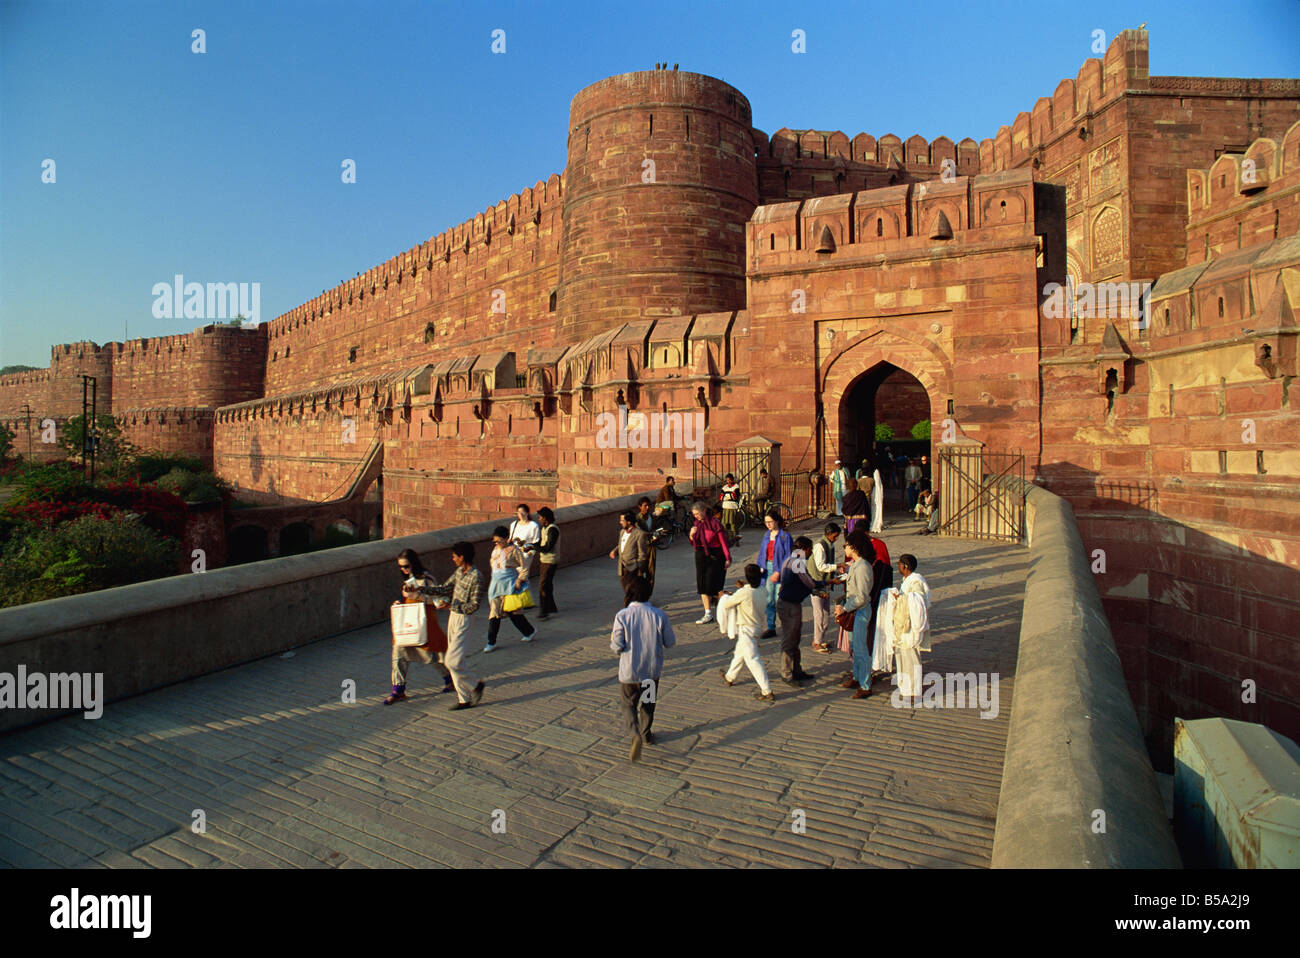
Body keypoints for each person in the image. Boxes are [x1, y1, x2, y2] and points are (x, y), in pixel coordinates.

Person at [610, 575, 677, 762]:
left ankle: (635, 734)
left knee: (628, 704)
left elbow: (617, 646)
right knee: (648, 703)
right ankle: (646, 733)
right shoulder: (659, 615)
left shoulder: (622, 616)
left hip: (629, 672)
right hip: (650, 671)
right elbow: (670, 642)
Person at [385, 548, 455, 704]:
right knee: (399, 654)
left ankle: (451, 679)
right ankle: (398, 690)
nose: (403, 570)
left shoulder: (426, 578)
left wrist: (417, 596)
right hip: (407, 622)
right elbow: (404, 596)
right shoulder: (408, 579)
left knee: (432, 655)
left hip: (424, 621)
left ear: (414, 564)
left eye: (406, 566)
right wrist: (399, 600)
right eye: (400, 567)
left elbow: (437, 599)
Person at [427, 541, 487, 711]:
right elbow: (444, 588)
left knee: (451, 661)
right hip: (453, 617)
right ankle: (464, 699)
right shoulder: (459, 572)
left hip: (464, 619)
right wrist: (421, 590)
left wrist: (452, 606)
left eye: (455, 556)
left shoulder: (476, 576)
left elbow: (474, 605)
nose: (453, 559)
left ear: (462, 557)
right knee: (456, 660)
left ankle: (475, 685)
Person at [835, 531, 891, 700]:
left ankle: (865, 685)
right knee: (855, 647)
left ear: (854, 547)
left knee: (861, 649)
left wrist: (845, 608)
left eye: (846, 546)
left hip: (860, 610)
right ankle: (857, 676)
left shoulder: (863, 567)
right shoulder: (856, 565)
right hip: (854, 610)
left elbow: (862, 597)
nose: (845, 549)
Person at [874, 553, 931, 702]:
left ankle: (914, 692)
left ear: (905, 566)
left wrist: (900, 598)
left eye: (899, 564)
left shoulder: (916, 581)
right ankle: (906, 688)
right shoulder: (907, 580)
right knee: (902, 658)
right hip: (902, 625)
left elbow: (918, 601)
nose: (898, 566)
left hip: (911, 626)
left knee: (911, 658)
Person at [717, 564, 774, 702]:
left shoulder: (744, 592)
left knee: (753, 660)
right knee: (739, 653)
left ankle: (767, 690)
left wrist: (724, 596)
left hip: (746, 629)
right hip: (756, 627)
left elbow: (727, 604)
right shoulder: (763, 590)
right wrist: (742, 588)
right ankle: (730, 677)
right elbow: (751, 591)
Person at [775, 536, 828, 685]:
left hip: (791, 603)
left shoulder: (790, 560)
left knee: (795, 638)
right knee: (789, 640)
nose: (810, 553)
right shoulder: (796, 563)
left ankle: (796, 669)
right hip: (789, 604)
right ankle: (787, 673)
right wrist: (825, 582)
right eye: (810, 550)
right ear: (804, 549)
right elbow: (809, 582)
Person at [484, 526, 537, 653]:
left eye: (499, 541)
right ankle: (491, 642)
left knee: (513, 612)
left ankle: (529, 631)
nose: (496, 543)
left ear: (506, 539)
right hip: (496, 586)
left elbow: (525, 566)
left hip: (510, 585)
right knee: (494, 613)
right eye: (495, 542)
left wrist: (520, 579)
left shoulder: (514, 550)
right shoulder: (495, 550)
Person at [688, 499, 731, 624]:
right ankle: (708, 613)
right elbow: (694, 543)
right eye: (694, 514)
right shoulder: (696, 524)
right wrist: (691, 535)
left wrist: (728, 557)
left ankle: (723, 612)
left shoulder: (715, 524)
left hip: (715, 556)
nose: (696, 516)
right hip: (701, 555)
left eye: (697, 513)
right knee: (702, 585)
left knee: (714, 585)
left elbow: (723, 542)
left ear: (704, 511)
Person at [753, 510, 792, 638]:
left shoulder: (785, 536)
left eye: (770, 522)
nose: (768, 524)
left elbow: (788, 556)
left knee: (779, 600)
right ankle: (771, 627)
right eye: (766, 522)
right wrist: (760, 567)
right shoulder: (766, 535)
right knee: (769, 600)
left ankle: (787, 626)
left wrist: (779, 571)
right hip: (767, 568)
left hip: (780, 569)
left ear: (777, 521)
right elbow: (762, 553)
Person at [809, 522, 841, 653]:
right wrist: (837, 566)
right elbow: (821, 566)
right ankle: (817, 642)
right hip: (817, 583)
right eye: (835, 536)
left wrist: (837, 571)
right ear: (828, 534)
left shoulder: (829, 545)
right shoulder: (820, 546)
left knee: (826, 615)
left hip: (826, 583)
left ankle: (820, 639)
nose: (836, 539)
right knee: (819, 615)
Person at [610, 510, 651, 607]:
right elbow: (622, 545)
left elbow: (642, 553)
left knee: (630, 591)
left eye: (622, 520)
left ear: (629, 522)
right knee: (626, 589)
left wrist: (638, 565)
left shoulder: (639, 534)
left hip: (633, 568)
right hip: (622, 566)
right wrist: (615, 551)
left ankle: (628, 608)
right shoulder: (622, 532)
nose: (620, 522)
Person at [536, 507, 560, 618]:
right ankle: (550, 607)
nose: (539, 519)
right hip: (544, 560)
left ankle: (544, 610)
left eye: (540, 517)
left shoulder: (552, 530)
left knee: (543, 585)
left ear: (545, 518)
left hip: (550, 560)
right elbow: (541, 543)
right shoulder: (544, 529)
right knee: (547, 584)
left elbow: (548, 547)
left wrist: (535, 548)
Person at [508, 504, 541, 572]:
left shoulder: (533, 526)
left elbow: (536, 541)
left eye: (522, 512)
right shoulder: (514, 524)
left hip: (525, 555)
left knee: (523, 574)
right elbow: (511, 538)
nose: (520, 514)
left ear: (527, 513)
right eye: (518, 512)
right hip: (514, 554)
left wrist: (529, 553)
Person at [719, 473, 742, 543]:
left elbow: (735, 497)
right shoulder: (724, 487)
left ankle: (735, 539)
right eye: (727, 480)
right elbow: (721, 497)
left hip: (733, 507)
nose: (728, 481)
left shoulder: (736, 487)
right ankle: (725, 538)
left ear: (732, 480)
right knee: (724, 523)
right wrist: (729, 495)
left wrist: (726, 496)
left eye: (730, 480)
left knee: (733, 524)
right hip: (725, 507)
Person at [869, 463, 884, 534]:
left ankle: (876, 523)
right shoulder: (876, 472)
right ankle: (876, 523)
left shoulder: (875, 472)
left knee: (876, 509)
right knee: (875, 509)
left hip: (876, 494)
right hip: (876, 494)